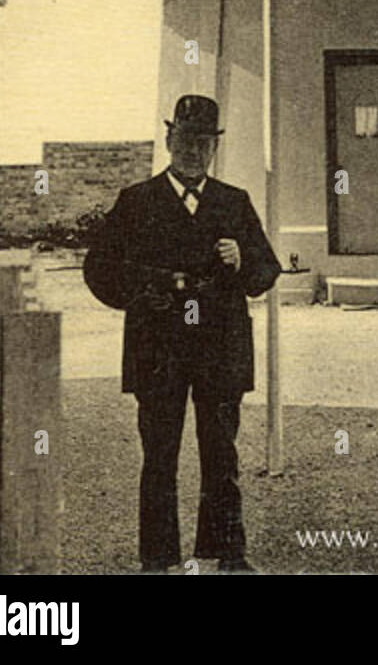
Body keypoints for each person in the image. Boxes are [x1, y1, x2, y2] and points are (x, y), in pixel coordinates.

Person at [83, 94, 281, 574]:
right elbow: (98, 270)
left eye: (204, 143)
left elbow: (266, 271)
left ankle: (226, 555)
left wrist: (243, 260)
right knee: (159, 456)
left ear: (214, 148)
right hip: (159, 347)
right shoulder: (137, 201)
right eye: (186, 141)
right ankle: (158, 559)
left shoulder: (234, 202)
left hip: (219, 345)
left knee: (221, 453)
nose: (194, 152)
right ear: (170, 141)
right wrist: (146, 290)